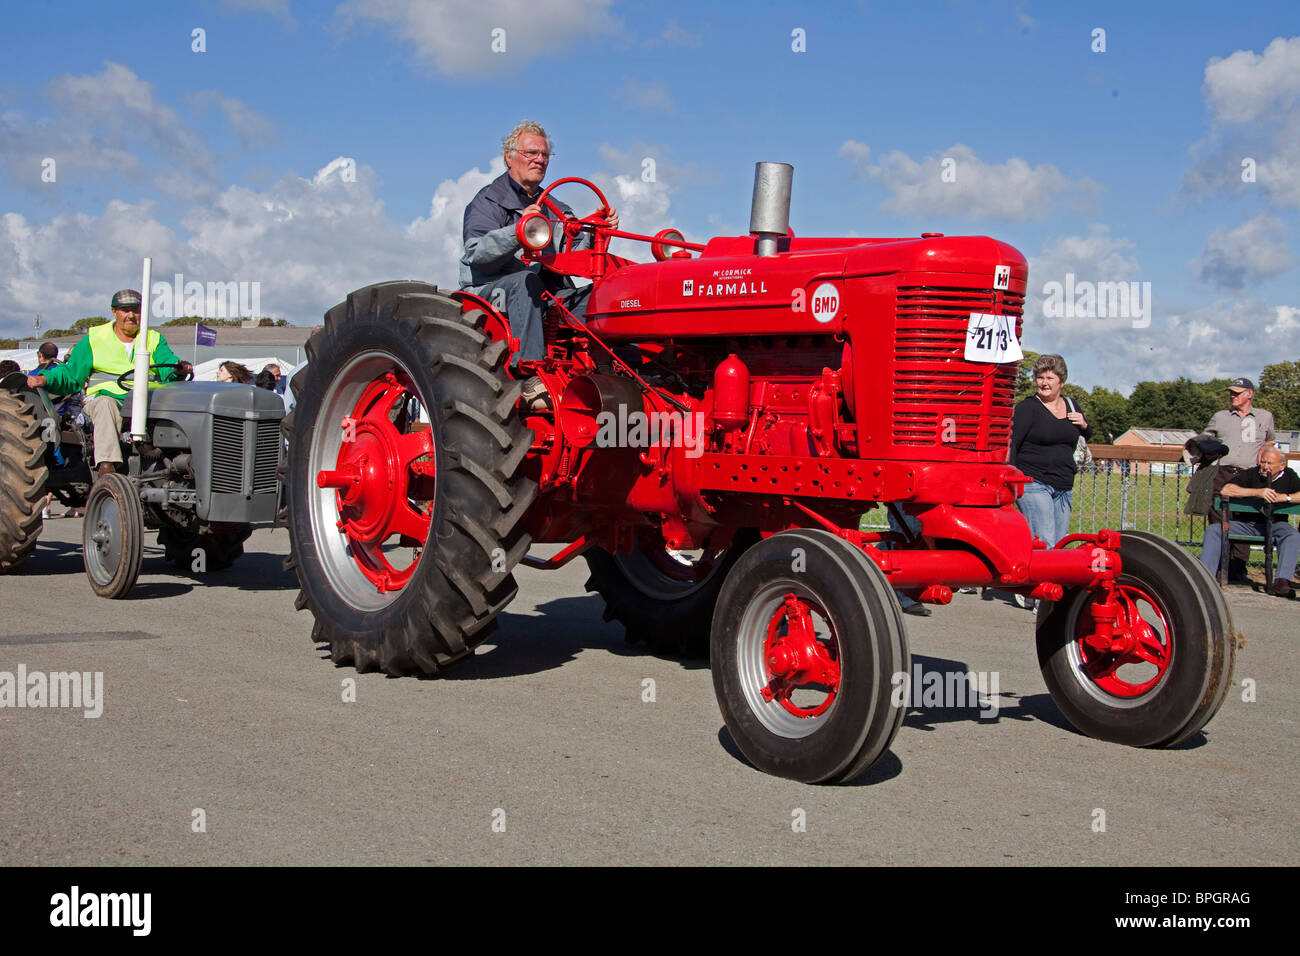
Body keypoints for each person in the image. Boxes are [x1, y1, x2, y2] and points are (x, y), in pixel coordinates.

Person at [460, 120, 619, 399]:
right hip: (490, 289)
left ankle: (613, 368)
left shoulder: (557, 208)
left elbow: (571, 253)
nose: (540, 160)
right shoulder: (489, 201)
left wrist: (595, 231)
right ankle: (530, 376)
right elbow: (477, 254)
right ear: (509, 157)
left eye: (545, 155)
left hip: (547, 294)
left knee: (603, 294)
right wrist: (519, 232)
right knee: (526, 280)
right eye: (531, 153)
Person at [26, 289, 189, 479]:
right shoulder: (95, 338)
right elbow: (71, 374)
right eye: (125, 310)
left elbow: (168, 364)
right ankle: (107, 467)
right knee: (105, 404)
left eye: (135, 310)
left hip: (147, 403)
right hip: (107, 400)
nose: (131, 315)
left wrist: (178, 370)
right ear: (114, 311)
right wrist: (45, 378)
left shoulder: (154, 338)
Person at [1010, 354, 1091, 609]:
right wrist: (1012, 475)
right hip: (1034, 480)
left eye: (1049, 378)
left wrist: (1085, 425)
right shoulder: (1027, 408)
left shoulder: (1071, 405)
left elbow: (1084, 435)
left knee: (1059, 542)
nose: (1044, 383)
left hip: (1063, 482)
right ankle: (1037, 594)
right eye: (1040, 377)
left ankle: (1043, 590)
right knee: (1043, 538)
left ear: (1061, 382)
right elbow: (1012, 442)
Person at [1194, 378, 1276, 582]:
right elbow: (1205, 439)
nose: (1232, 396)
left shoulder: (1265, 417)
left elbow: (1270, 440)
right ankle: (1218, 566)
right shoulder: (1220, 417)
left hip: (1249, 475)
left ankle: (1238, 567)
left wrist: (1265, 453)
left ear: (1249, 394)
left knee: (1245, 518)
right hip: (1222, 471)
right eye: (1231, 392)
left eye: (1237, 393)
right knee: (1218, 517)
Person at [1198, 447, 1300, 597]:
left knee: (1292, 535)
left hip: (1276, 525)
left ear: (1282, 466)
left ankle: (1282, 581)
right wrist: (1257, 492)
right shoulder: (1251, 474)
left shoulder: (1289, 476)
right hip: (1246, 525)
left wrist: (1286, 497)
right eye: (1263, 462)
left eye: (1270, 463)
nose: (1265, 466)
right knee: (1214, 530)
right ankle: (1205, 578)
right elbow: (1227, 489)